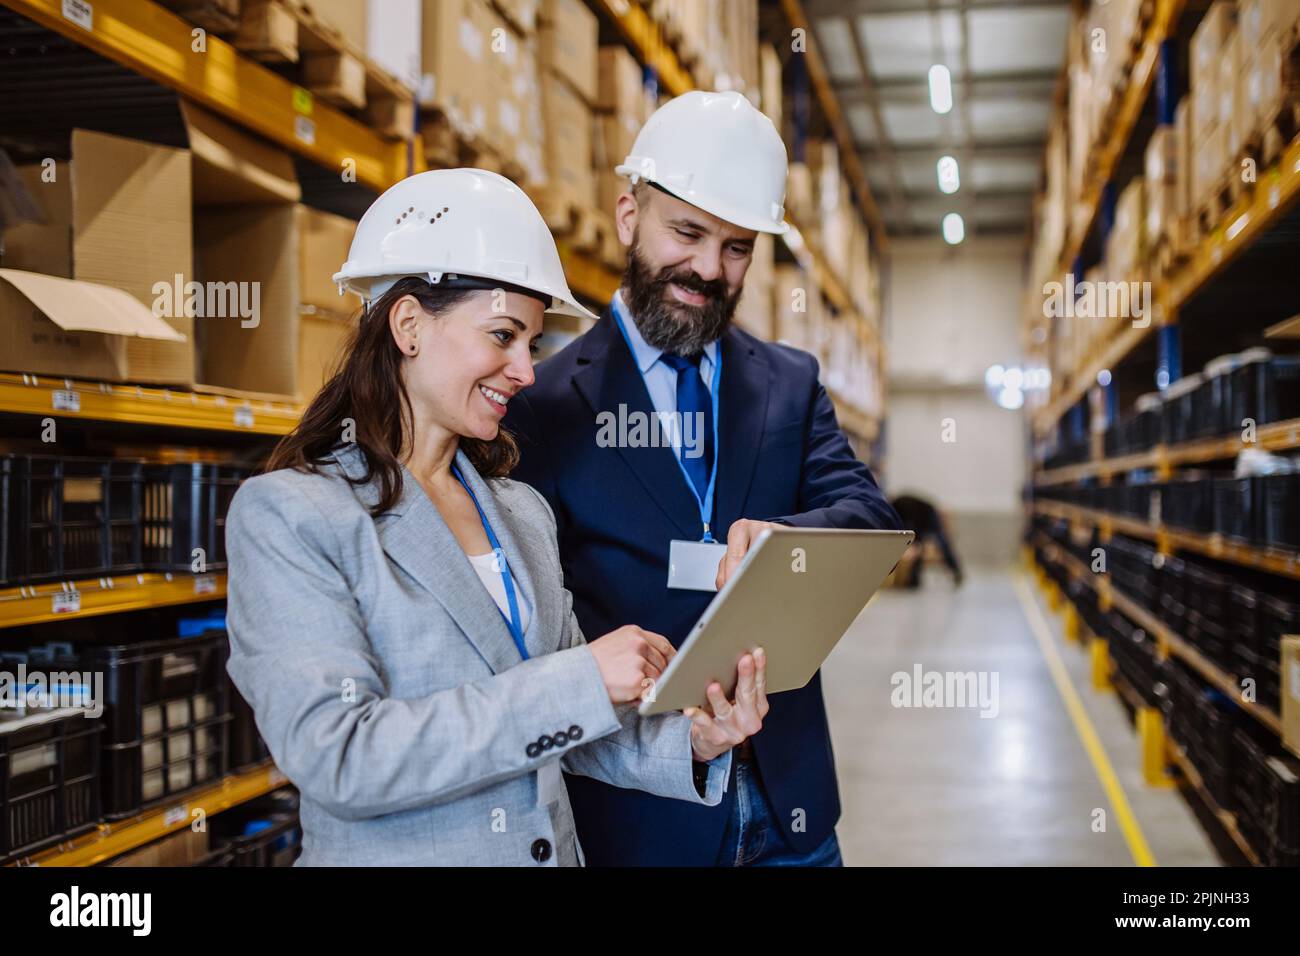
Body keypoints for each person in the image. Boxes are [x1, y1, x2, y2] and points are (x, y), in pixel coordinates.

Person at [223, 168, 770, 867]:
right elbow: (341, 756)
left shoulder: (520, 514)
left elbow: (569, 726)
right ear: (410, 324)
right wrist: (579, 678)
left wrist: (694, 738)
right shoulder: (294, 517)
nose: (527, 371)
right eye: (503, 335)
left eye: (532, 344)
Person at [504, 91, 901, 867]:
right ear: (628, 217)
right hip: (638, 822)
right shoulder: (543, 405)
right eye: (686, 233)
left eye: (738, 247)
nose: (708, 269)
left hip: (791, 810)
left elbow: (868, 515)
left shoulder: (788, 382)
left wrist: (790, 539)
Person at [890, 494, 964, 588]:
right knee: (918, 548)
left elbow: (909, 523)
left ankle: (956, 570)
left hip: (929, 515)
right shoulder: (898, 506)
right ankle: (914, 579)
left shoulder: (900, 505)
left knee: (942, 543)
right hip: (919, 519)